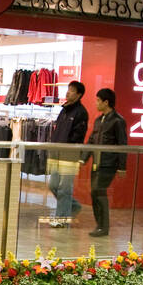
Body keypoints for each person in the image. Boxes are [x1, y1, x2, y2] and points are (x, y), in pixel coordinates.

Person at [83, 87, 128, 237]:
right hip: (97, 162)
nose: (95, 103)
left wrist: (122, 167)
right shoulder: (98, 120)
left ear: (106, 102)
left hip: (108, 163)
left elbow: (122, 144)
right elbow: (91, 140)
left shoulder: (118, 121)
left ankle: (104, 226)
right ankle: (100, 225)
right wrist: (83, 158)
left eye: (98, 100)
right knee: (94, 192)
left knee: (98, 191)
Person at [46, 80, 89, 228]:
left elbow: (78, 136)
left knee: (65, 188)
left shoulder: (81, 113)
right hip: (56, 154)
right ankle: (74, 206)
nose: (68, 92)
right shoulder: (64, 110)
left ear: (79, 94)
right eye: (68, 89)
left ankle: (61, 219)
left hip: (69, 156)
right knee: (53, 185)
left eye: (72, 90)